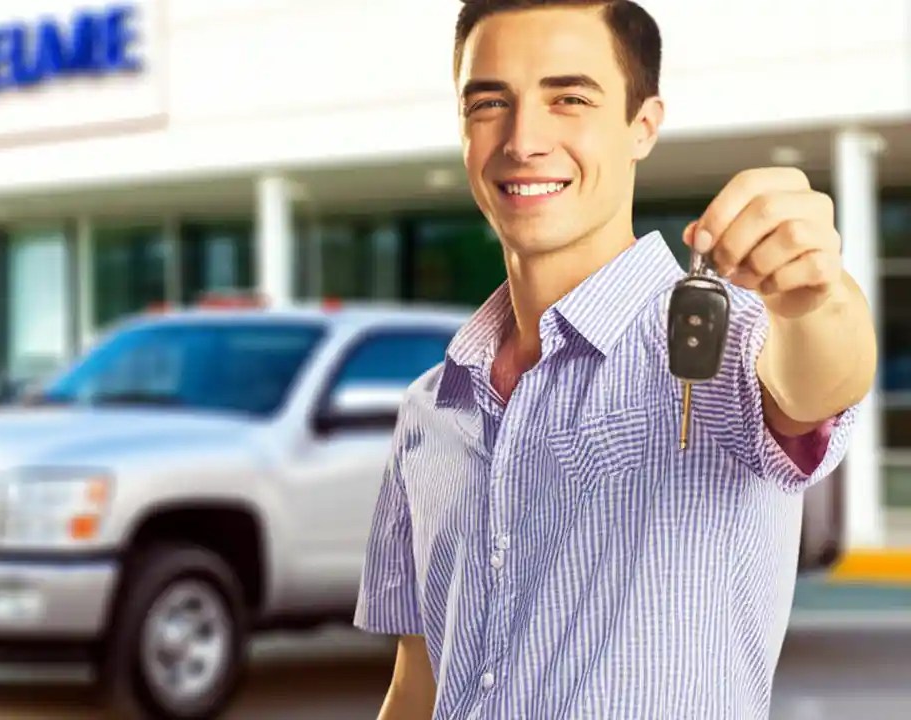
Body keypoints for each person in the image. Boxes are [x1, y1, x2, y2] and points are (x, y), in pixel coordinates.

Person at [352, 1, 878, 718]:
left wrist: (817, 297)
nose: (523, 139)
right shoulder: (428, 409)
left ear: (643, 126)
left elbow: (819, 380)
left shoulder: (718, 346)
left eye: (568, 98)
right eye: (489, 103)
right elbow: (417, 685)